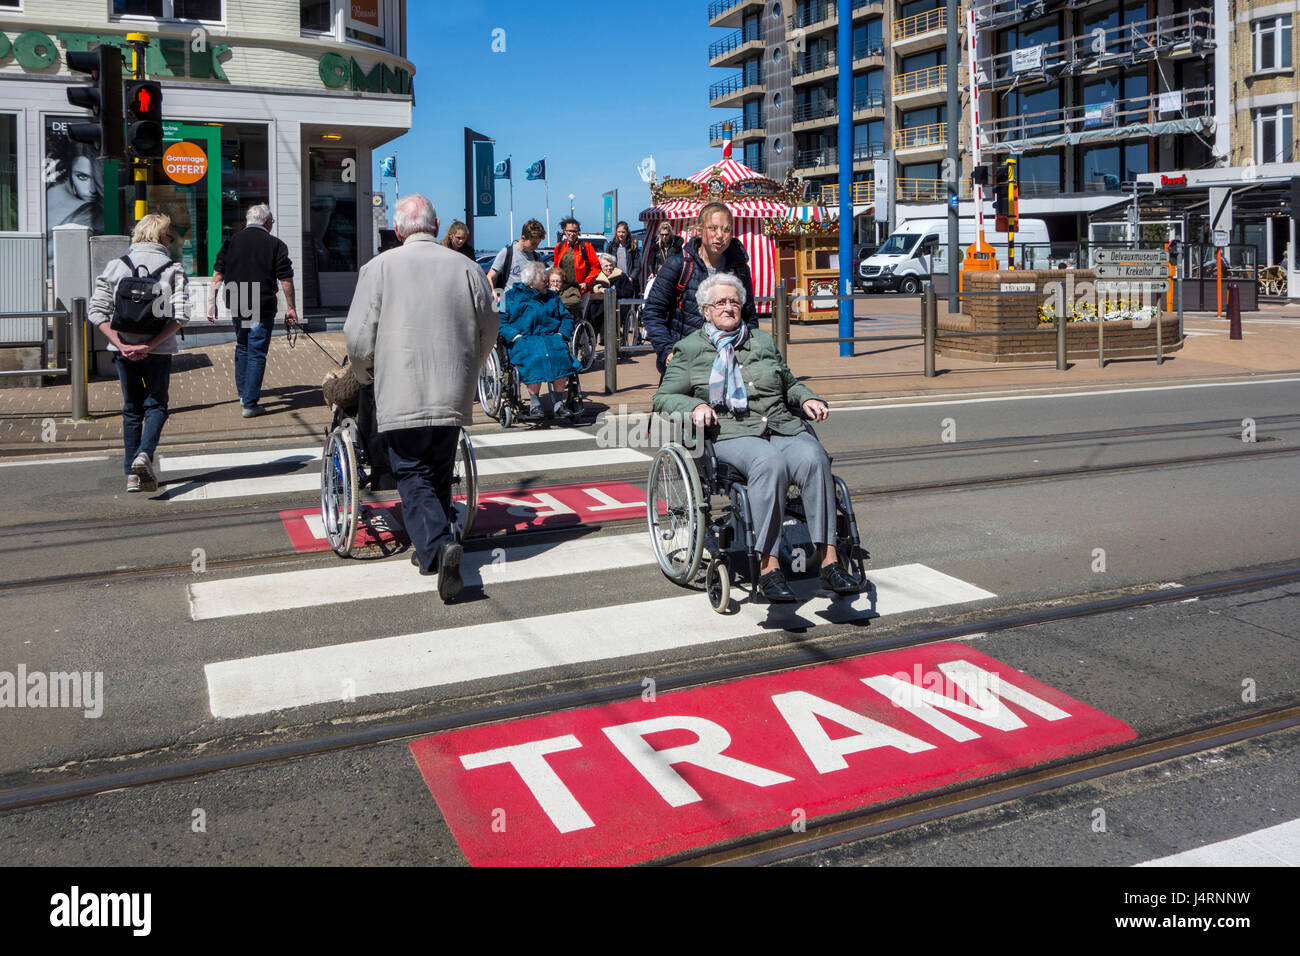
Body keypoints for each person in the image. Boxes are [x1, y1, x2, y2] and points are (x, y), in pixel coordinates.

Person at [652, 272, 859, 603]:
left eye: (734, 301)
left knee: (813, 457)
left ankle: (829, 562)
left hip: (780, 425)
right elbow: (662, 399)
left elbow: (789, 382)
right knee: (770, 462)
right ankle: (769, 566)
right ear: (705, 310)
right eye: (720, 302)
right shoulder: (689, 349)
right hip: (731, 432)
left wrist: (806, 397)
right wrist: (696, 406)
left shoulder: (760, 341)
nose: (729, 308)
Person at [344, 195, 498, 602]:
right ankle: (434, 547)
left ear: (397, 231)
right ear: (435, 225)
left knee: (411, 471)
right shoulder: (467, 267)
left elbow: (358, 338)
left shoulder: (378, 268)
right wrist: (473, 365)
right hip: (451, 390)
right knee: (439, 468)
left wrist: (365, 375)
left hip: (400, 386)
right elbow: (489, 326)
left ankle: (438, 546)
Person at [87, 213, 189, 493]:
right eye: (169, 235)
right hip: (158, 350)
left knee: (132, 408)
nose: (170, 240)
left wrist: (121, 344)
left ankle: (132, 474)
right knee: (156, 405)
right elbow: (181, 316)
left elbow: (96, 311)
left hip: (123, 349)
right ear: (162, 237)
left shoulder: (116, 267)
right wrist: (151, 345)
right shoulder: (173, 269)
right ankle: (144, 455)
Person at [640, 201, 757, 375]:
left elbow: (749, 315)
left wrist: (750, 349)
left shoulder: (740, 270)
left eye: (726, 230)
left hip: (729, 363)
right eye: (713, 228)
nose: (720, 235)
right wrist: (667, 351)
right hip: (686, 363)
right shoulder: (678, 265)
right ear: (700, 230)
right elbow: (652, 311)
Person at [207, 204, 298, 418]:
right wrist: (291, 308)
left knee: (243, 346)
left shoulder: (231, 241)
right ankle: (249, 403)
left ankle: (243, 394)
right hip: (260, 303)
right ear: (267, 222)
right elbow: (285, 279)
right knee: (256, 351)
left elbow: (218, 274)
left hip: (239, 301)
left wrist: (211, 303)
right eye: (272, 222)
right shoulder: (275, 244)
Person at [500, 261, 583, 420]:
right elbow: (499, 320)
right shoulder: (509, 296)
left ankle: (559, 403)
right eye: (544, 280)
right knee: (535, 358)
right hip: (525, 340)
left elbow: (566, 317)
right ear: (531, 283)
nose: (547, 283)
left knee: (560, 356)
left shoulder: (552, 297)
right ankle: (534, 403)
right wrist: (514, 336)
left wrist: (561, 334)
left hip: (551, 338)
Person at [486, 218, 546, 305]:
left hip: (530, 305)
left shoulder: (537, 257)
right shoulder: (507, 253)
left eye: (538, 243)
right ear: (523, 238)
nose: (536, 247)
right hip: (509, 304)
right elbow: (490, 277)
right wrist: (495, 295)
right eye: (533, 243)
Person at [554, 217, 602, 323]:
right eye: (569, 231)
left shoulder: (586, 247)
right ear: (564, 231)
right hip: (563, 289)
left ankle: (583, 338)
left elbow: (596, 267)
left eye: (575, 231)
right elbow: (556, 268)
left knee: (580, 318)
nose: (572, 234)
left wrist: (586, 282)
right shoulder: (559, 247)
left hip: (581, 289)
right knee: (562, 317)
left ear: (578, 232)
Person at [644, 221, 683, 288]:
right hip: (661, 275)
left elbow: (680, 261)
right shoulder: (656, 245)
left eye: (666, 234)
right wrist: (652, 272)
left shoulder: (676, 245)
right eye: (662, 235)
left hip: (673, 275)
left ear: (670, 234)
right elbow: (651, 262)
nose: (664, 237)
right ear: (659, 234)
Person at [607, 221, 641, 290]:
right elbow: (607, 263)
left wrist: (631, 277)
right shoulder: (611, 246)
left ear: (627, 232)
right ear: (616, 232)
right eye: (619, 232)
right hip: (615, 280)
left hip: (630, 281)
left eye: (623, 232)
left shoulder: (632, 247)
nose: (621, 234)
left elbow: (637, 266)